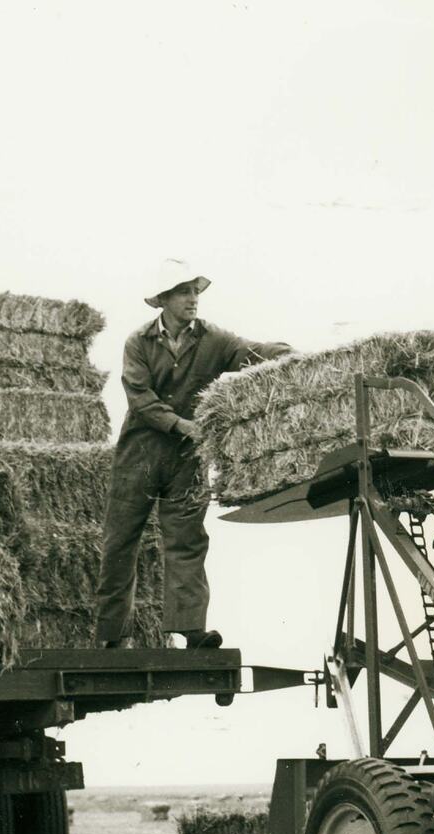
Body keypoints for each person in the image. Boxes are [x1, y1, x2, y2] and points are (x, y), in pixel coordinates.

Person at [95, 259, 290, 649]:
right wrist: (182, 425)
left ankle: (191, 629)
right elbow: (141, 399)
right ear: (164, 299)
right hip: (140, 454)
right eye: (184, 292)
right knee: (120, 542)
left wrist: (293, 355)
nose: (193, 299)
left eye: (196, 291)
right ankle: (111, 637)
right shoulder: (138, 342)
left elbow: (252, 351)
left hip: (188, 459)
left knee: (187, 540)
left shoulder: (213, 339)